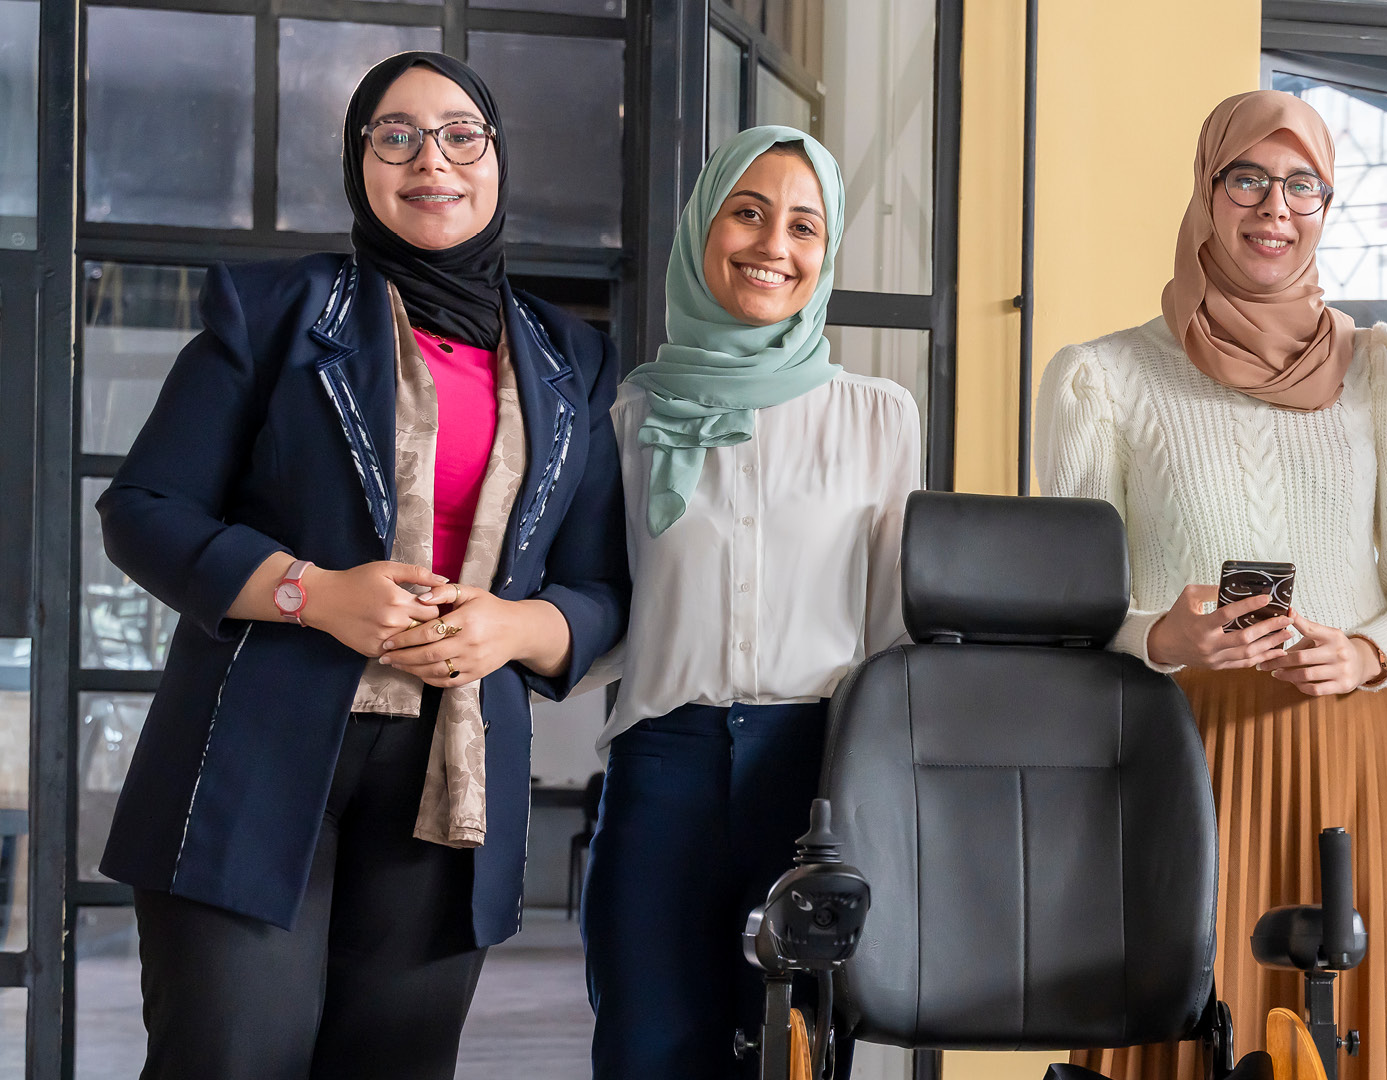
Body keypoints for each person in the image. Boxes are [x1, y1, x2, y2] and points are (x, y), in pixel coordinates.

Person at [95, 52, 629, 1080]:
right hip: (253, 758)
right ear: (361, 162)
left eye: (461, 135)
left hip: (451, 788)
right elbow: (144, 512)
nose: (433, 162)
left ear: (498, 160)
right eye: (397, 135)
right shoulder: (276, 315)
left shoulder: (573, 358)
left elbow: (601, 590)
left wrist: (511, 630)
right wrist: (313, 593)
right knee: (231, 1058)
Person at [1038, 90, 1387, 1080]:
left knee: (1354, 1037)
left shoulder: (1378, 367)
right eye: (1248, 180)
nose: (1275, 207)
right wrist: (1166, 640)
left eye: (1302, 185)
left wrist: (1364, 652)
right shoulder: (1101, 378)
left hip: (1356, 760)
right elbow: (1064, 608)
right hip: (1179, 754)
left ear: (1326, 204)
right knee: (1180, 1032)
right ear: (1207, 191)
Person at [580, 126, 920, 1079]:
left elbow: (894, 626)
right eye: (749, 212)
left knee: (795, 1057)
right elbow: (604, 611)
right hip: (660, 767)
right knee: (646, 1048)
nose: (775, 246)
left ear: (829, 249)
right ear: (703, 228)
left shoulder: (878, 417)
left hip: (814, 771)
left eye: (805, 226)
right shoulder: (630, 417)